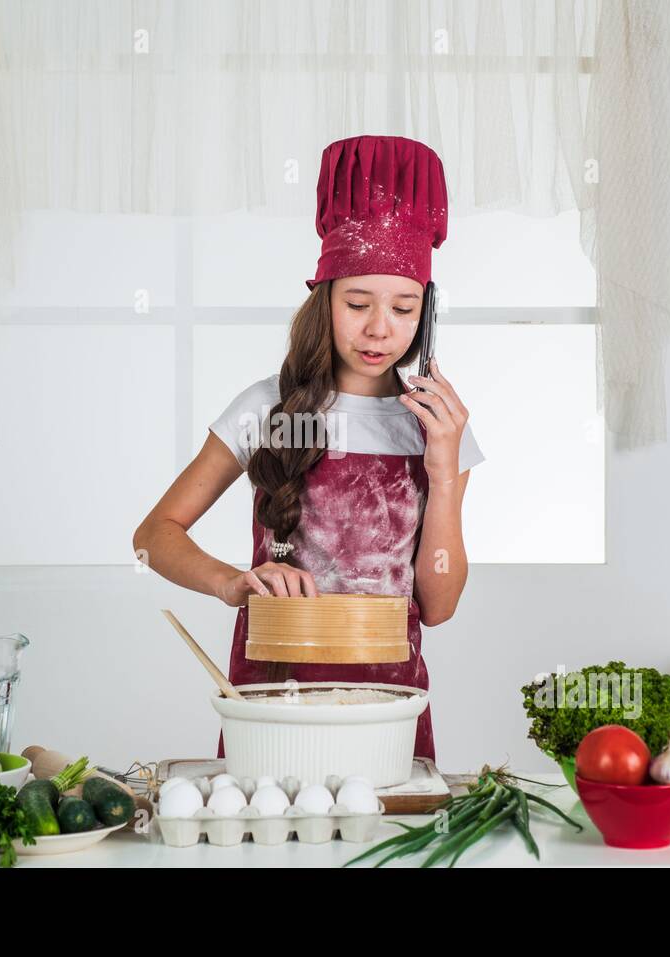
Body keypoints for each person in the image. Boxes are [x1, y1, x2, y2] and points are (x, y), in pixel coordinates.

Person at [134, 135, 484, 759]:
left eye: (404, 308)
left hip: (388, 707)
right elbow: (153, 535)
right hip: (272, 700)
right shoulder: (264, 407)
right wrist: (232, 582)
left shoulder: (436, 424)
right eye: (357, 304)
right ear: (323, 300)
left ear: (425, 313)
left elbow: (440, 604)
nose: (381, 328)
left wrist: (444, 465)